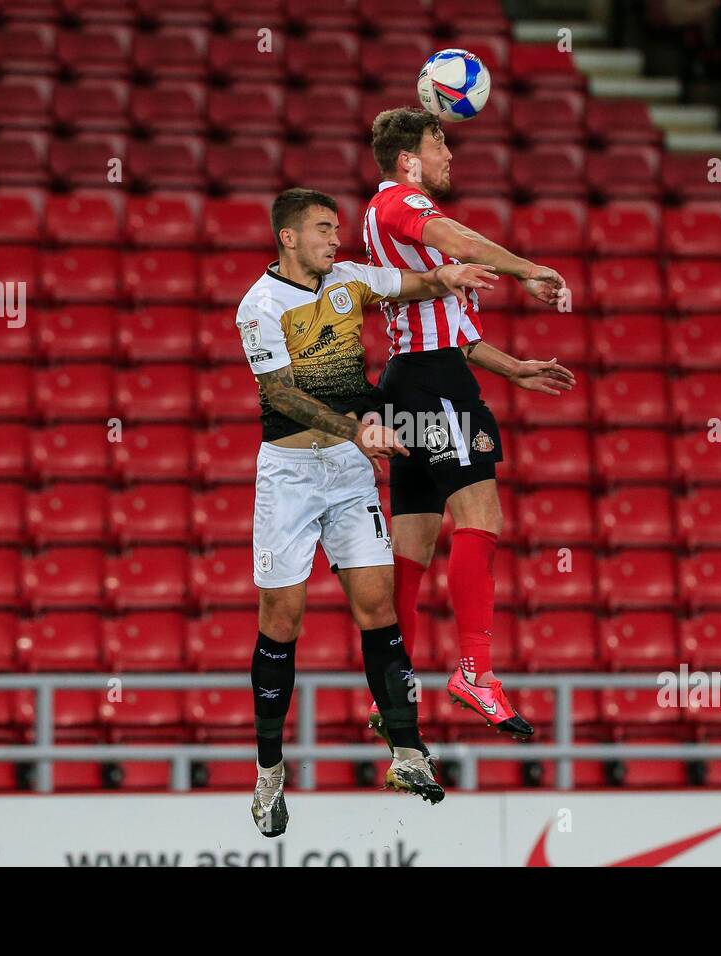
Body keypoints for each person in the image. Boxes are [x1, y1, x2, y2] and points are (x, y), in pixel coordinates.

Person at [237, 187, 495, 837]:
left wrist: (445, 275)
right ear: (288, 238)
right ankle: (269, 770)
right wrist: (356, 429)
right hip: (291, 475)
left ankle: (407, 751)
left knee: (377, 607)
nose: (335, 239)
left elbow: (405, 285)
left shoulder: (349, 279)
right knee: (282, 621)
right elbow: (280, 395)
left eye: (337, 229)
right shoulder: (260, 306)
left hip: (350, 474)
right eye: (324, 230)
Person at [362, 107, 577, 741]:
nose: (449, 155)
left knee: (413, 547)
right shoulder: (401, 204)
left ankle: (390, 689)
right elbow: (461, 241)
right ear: (409, 159)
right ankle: (474, 673)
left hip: (409, 380)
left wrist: (514, 369)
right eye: (440, 143)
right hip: (437, 386)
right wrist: (527, 268)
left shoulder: (394, 221)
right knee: (482, 519)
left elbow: (452, 333)